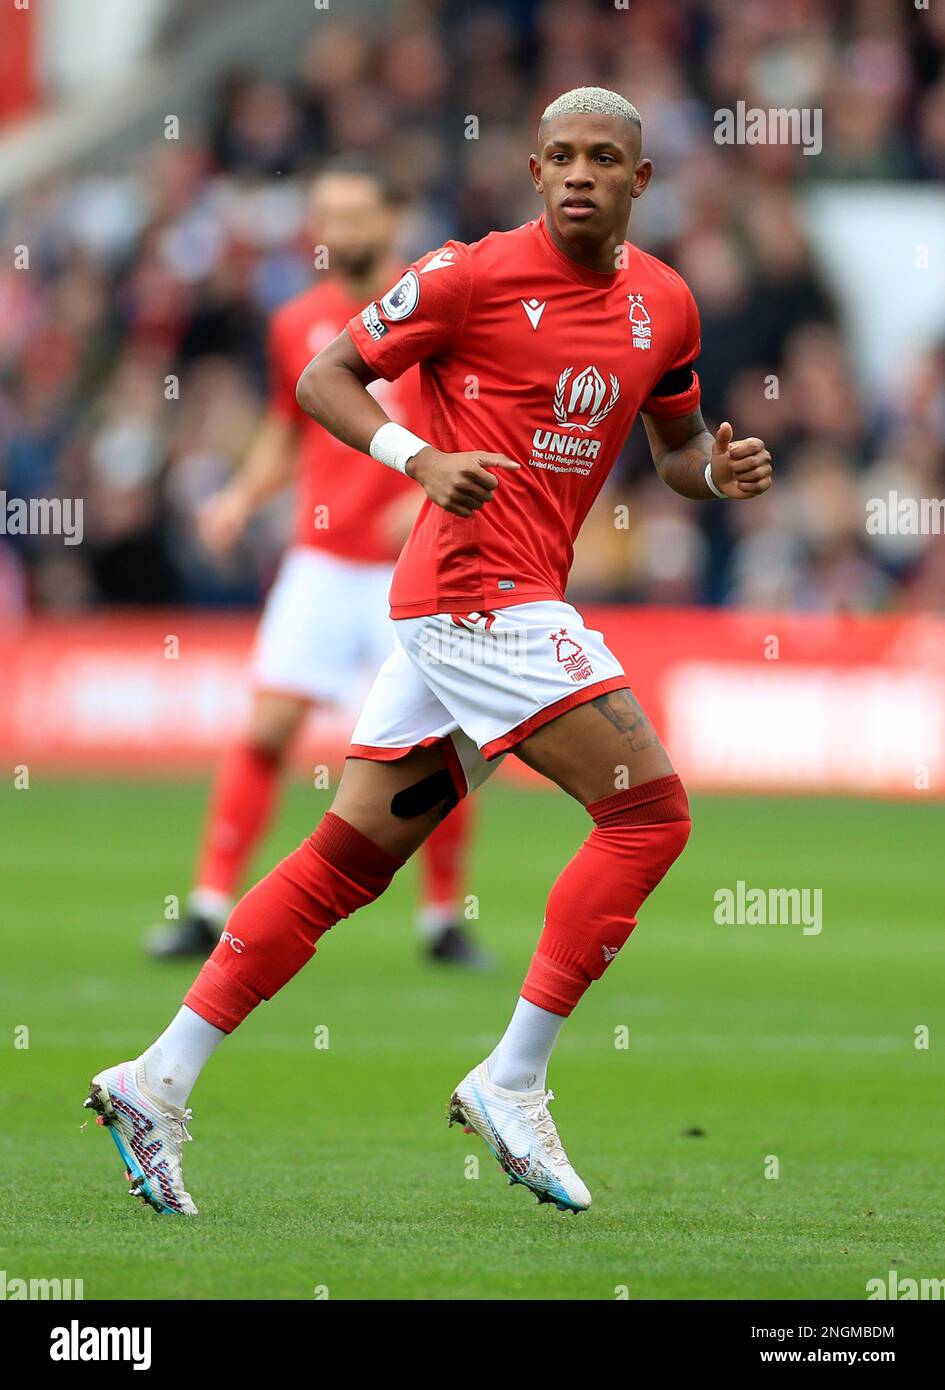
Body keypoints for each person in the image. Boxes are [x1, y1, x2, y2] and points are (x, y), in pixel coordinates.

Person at [85, 88, 772, 1216]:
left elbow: (680, 448)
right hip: (472, 593)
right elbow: (323, 377)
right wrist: (416, 458)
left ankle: (155, 1080)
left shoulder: (666, 305)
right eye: (560, 156)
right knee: (650, 814)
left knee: (350, 861)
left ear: (642, 181)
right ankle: (513, 1079)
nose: (580, 173)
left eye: (605, 157)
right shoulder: (469, 274)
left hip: (493, 602)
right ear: (534, 170)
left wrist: (719, 475)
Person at [147, 164, 483, 968]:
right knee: (266, 729)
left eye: (352, 212)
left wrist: (428, 489)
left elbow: (482, 411)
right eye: (323, 214)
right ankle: (206, 904)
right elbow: (284, 427)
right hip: (321, 562)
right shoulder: (297, 319)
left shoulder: (431, 306)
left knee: (440, 741)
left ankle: (441, 918)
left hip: (412, 564)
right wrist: (237, 496)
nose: (335, 229)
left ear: (388, 219)